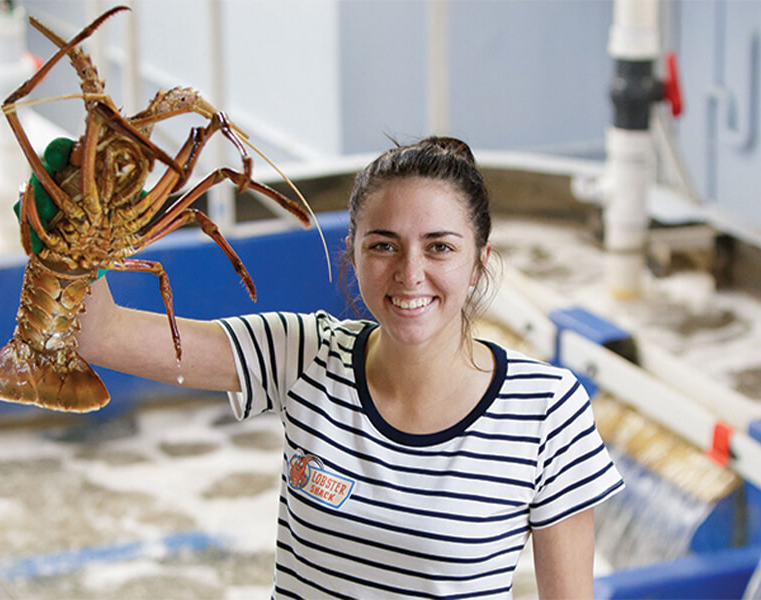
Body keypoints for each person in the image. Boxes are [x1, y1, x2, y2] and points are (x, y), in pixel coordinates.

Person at [76, 136, 624, 598]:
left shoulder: (546, 410)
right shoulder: (302, 353)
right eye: (385, 245)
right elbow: (101, 334)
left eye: (440, 248)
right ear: (354, 253)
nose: (411, 274)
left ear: (479, 263)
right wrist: (70, 231)